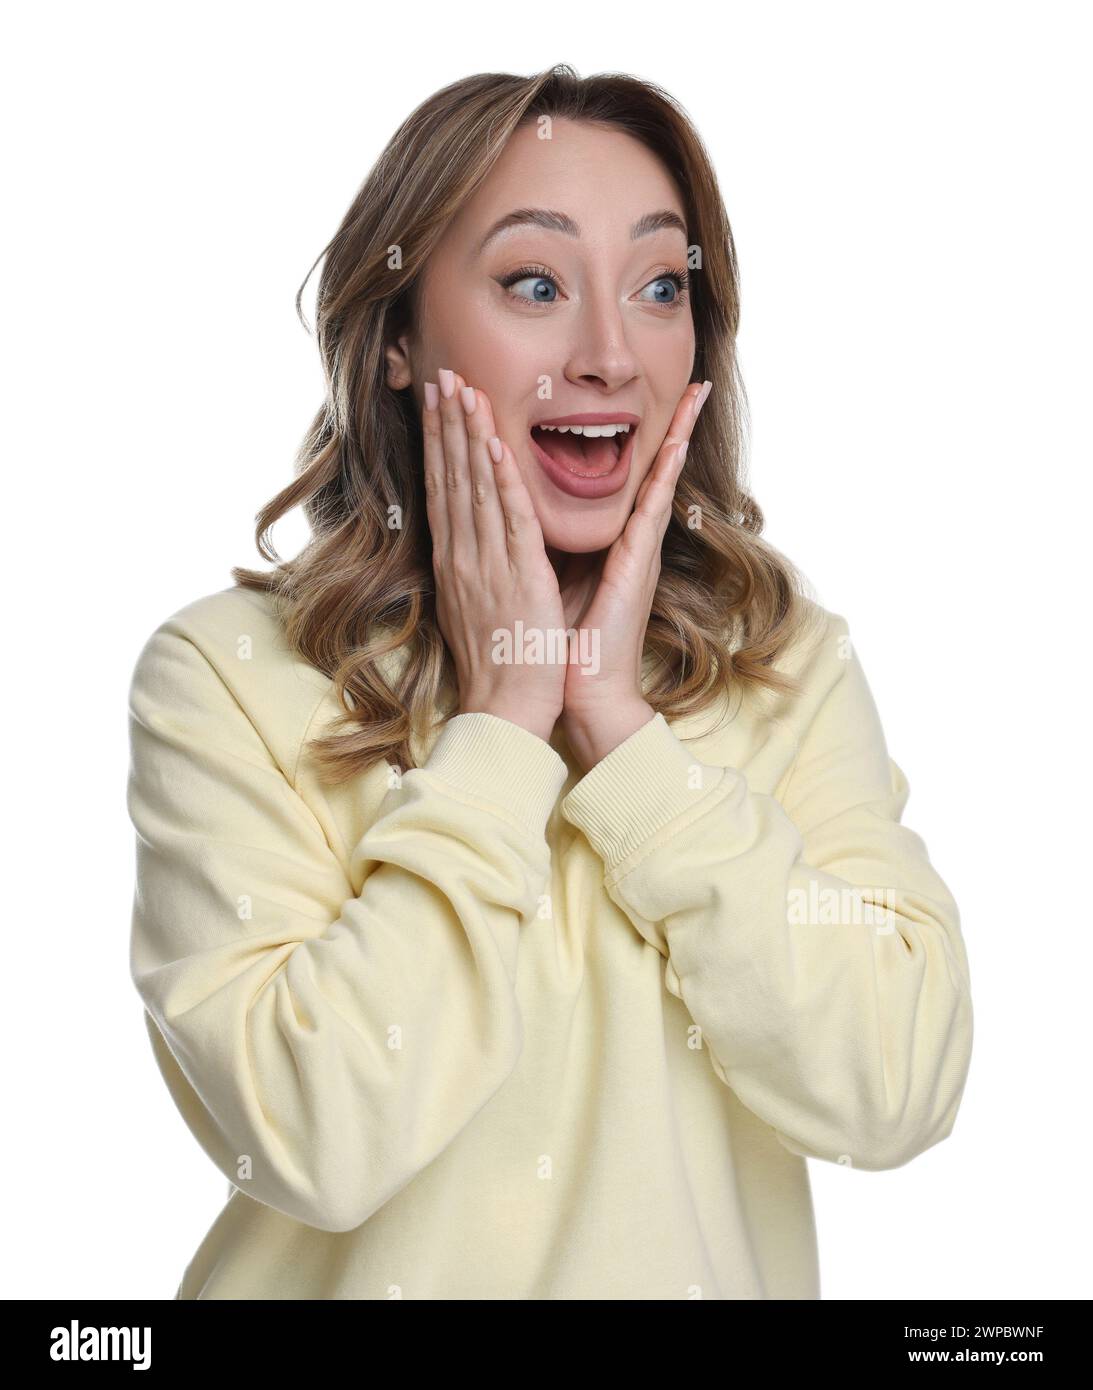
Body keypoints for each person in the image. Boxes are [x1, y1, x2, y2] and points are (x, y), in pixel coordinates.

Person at [126, 64, 974, 1300]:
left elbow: (898, 1084)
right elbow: (312, 1135)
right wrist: (505, 724)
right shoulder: (228, 679)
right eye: (534, 283)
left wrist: (627, 744)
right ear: (400, 337)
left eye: (658, 286)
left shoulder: (784, 669)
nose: (608, 354)